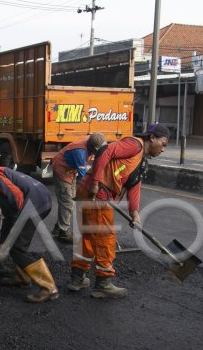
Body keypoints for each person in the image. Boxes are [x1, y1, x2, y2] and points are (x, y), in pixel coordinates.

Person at [71, 123, 171, 299]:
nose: (163, 149)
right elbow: (104, 151)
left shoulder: (141, 161)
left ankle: (77, 278)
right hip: (97, 192)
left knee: (88, 236)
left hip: (88, 191)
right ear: (152, 138)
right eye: (163, 144)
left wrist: (134, 212)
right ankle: (103, 283)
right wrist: (95, 183)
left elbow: (134, 187)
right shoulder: (135, 145)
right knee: (105, 238)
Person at [0, 162, 59, 304]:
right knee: (14, 245)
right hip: (41, 201)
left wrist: (15, 230)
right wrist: (3, 242)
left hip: (36, 204)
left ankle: (49, 288)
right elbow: (9, 216)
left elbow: (16, 197)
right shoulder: (1, 176)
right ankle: (22, 277)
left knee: (17, 248)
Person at [50, 133, 108, 243]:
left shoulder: (94, 140)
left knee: (69, 200)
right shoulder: (80, 152)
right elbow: (84, 177)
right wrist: (95, 188)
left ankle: (58, 227)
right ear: (93, 149)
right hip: (62, 170)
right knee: (67, 201)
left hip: (71, 170)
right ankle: (63, 232)